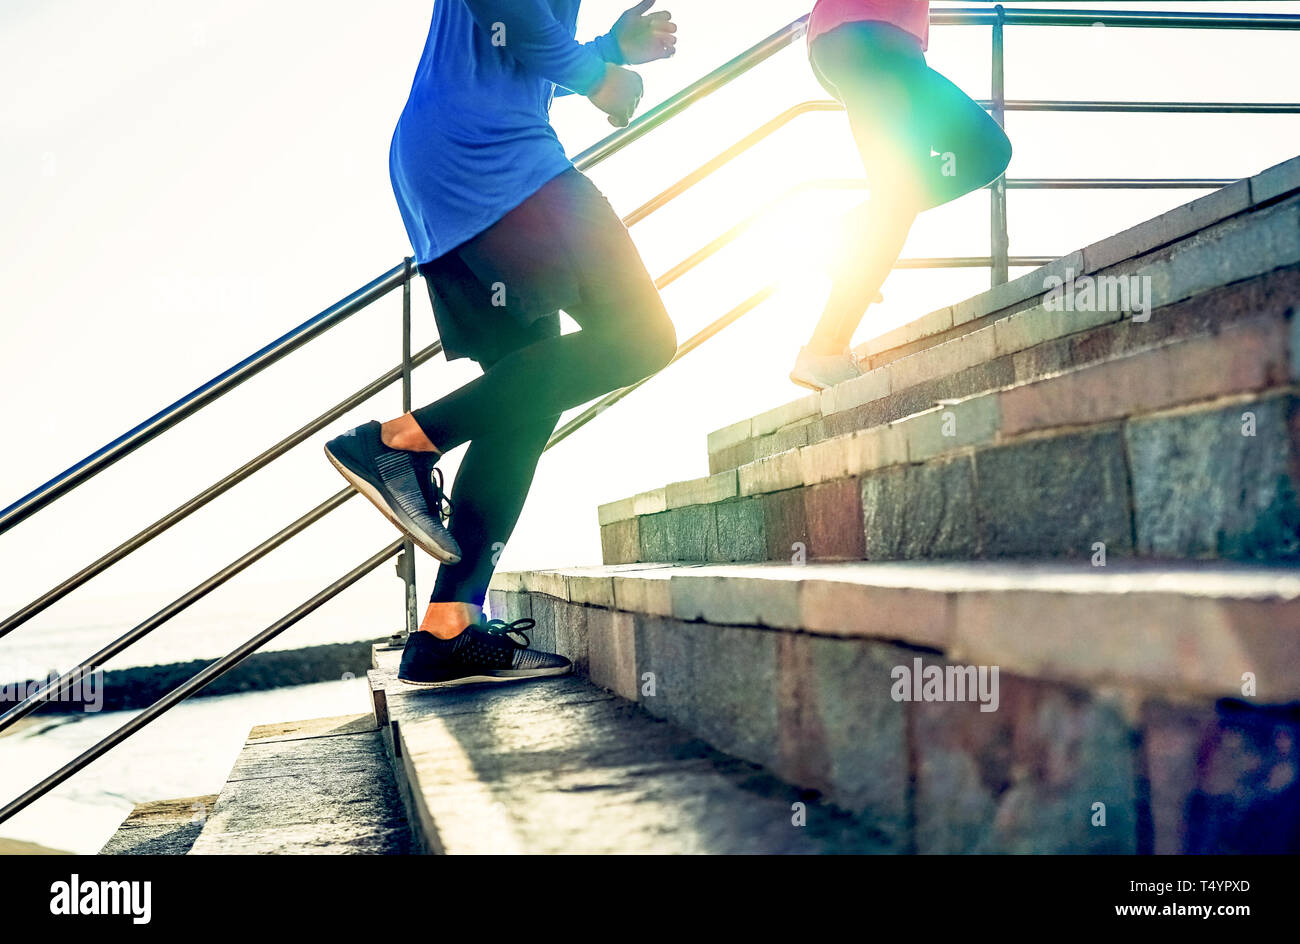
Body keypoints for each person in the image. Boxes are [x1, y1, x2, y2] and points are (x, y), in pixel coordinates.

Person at [325, 1, 679, 686]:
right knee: (641, 337)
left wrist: (605, 48)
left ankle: (447, 630)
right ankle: (397, 441)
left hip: (446, 168)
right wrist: (598, 77)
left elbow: (509, 44)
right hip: (495, 159)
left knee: (522, 400)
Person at [790, 0, 1012, 389]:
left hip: (870, 41)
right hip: (869, 37)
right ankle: (825, 348)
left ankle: (852, 231)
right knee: (905, 190)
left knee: (971, 158)